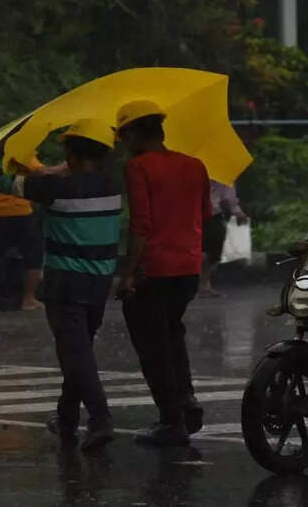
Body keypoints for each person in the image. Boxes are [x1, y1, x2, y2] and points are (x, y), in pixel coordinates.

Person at [0, 118, 120, 451]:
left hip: (66, 285)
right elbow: (77, 180)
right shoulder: (113, 185)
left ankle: (100, 420)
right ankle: (67, 416)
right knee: (78, 351)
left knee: (76, 354)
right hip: (99, 282)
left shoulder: (53, 189)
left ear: (71, 157)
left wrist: (1, 142)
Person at [115, 100, 211, 447]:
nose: (122, 141)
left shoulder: (138, 167)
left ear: (137, 133)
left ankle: (172, 420)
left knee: (153, 347)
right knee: (172, 335)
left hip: (153, 269)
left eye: (123, 134)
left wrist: (127, 274)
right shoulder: (195, 166)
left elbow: (141, 224)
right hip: (187, 269)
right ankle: (186, 404)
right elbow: (205, 214)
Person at [0, 153, 45, 311]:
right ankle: (28, 299)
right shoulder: (21, 151)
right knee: (34, 255)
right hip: (19, 211)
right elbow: (41, 172)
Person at [199, 180, 249, 298]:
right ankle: (204, 285)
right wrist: (237, 212)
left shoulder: (187, 169)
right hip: (211, 214)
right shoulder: (223, 175)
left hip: (188, 213)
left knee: (200, 250)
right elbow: (227, 198)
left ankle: (201, 285)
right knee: (211, 251)